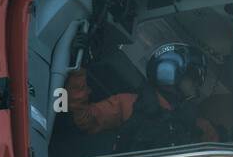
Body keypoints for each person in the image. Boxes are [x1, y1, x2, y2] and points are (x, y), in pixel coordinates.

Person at [65, 41, 222, 150]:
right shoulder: (128, 104)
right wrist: (77, 65)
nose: (196, 85)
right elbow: (85, 120)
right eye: (192, 78)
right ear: (168, 73)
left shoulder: (200, 125)